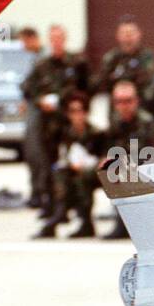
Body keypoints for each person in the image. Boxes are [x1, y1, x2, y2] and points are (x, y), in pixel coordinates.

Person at [20, 25, 89, 217]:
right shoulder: (42, 65)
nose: (57, 42)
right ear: (50, 41)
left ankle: (75, 205)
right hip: (48, 125)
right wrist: (39, 101)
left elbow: (88, 87)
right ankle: (50, 204)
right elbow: (27, 89)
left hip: (70, 124)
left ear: (65, 39)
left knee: (74, 163)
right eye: (53, 38)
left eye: (60, 38)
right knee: (47, 164)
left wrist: (78, 108)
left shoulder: (76, 63)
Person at [93, 79, 154, 240]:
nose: (124, 105)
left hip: (147, 167)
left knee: (119, 171)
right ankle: (84, 221)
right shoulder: (116, 121)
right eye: (119, 101)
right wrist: (105, 159)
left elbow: (148, 154)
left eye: (128, 101)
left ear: (136, 101)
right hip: (123, 165)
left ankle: (124, 224)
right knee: (88, 172)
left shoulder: (146, 122)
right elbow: (109, 146)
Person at [35, 92, 102, 239]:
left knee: (80, 179)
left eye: (80, 110)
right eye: (72, 111)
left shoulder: (96, 134)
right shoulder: (66, 134)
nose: (77, 115)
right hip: (72, 170)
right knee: (60, 174)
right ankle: (60, 212)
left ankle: (78, 219)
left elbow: (103, 157)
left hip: (94, 173)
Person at [96, 16, 154, 99]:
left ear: (139, 34)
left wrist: (120, 77)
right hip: (116, 100)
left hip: (141, 99)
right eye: (124, 33)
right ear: (117, 35)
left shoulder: (147, 55)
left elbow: (146, 79)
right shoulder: (111, 57)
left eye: (131, 33)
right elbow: (103, 82)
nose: (128, 37)